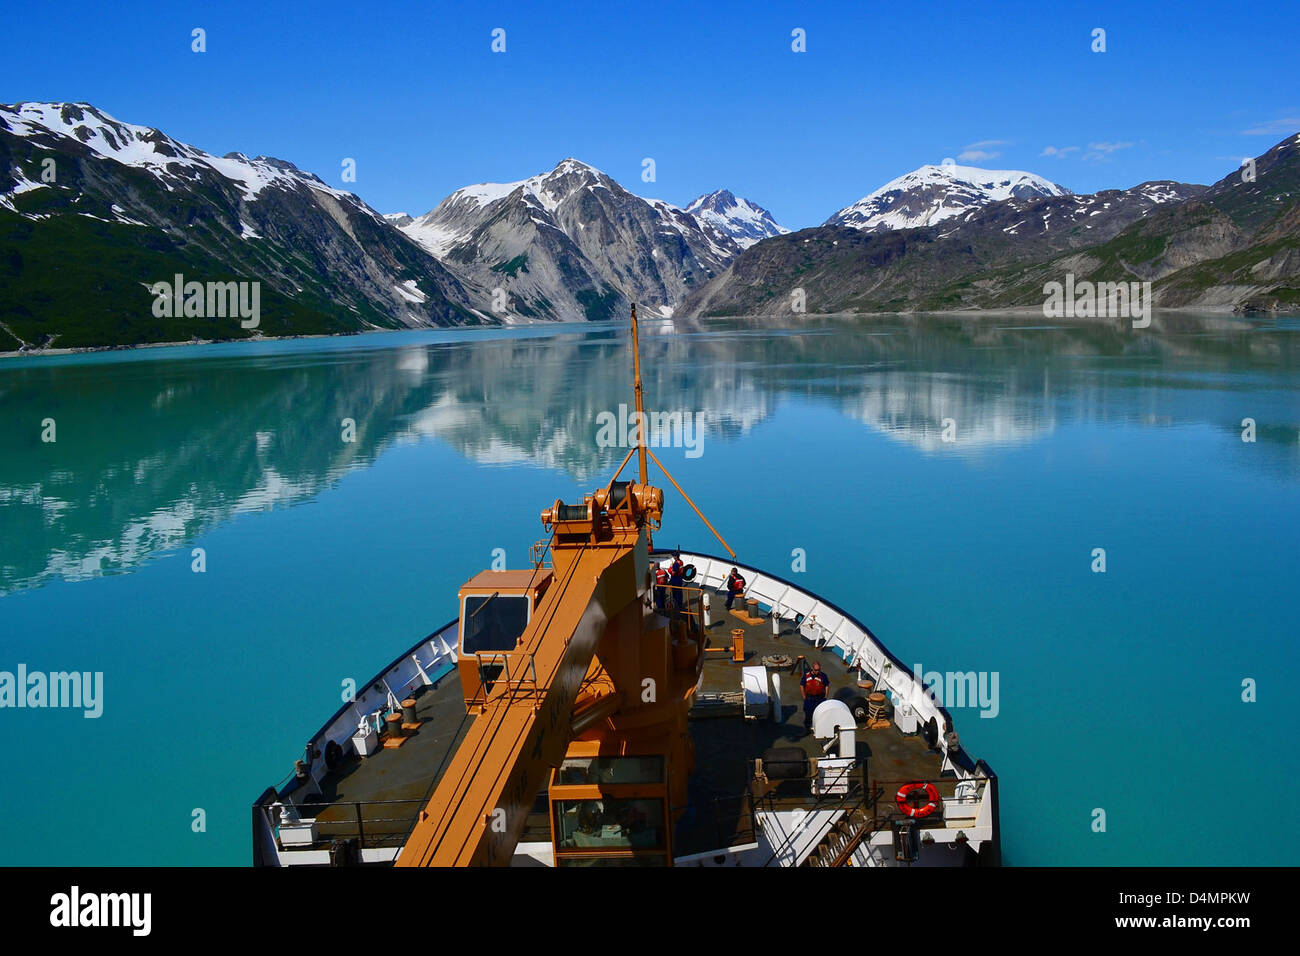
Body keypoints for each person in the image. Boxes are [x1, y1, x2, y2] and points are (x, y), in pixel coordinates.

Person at [801, 660, 830, 733]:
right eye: (816, 670)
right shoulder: (806, 676)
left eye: (819, 670)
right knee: (808, 714)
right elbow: (802, 685)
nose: (817, 671)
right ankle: (807, 729)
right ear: (812, 668)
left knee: (820, 714)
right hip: (809, 698)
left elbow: (827, 686)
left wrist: (825, 697)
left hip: (819, 698)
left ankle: (819, 729)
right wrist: (804, 696)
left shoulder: (823, 676)